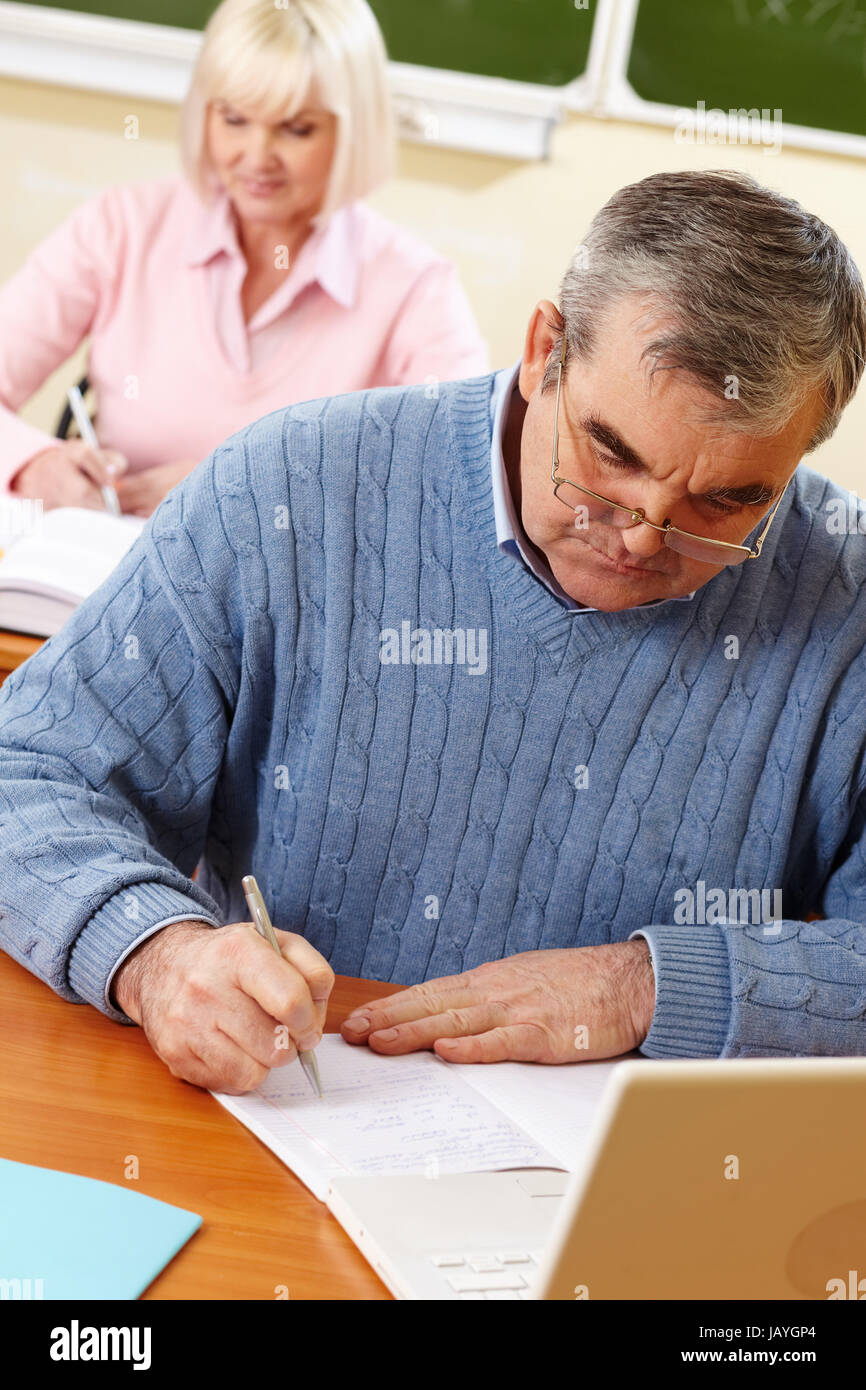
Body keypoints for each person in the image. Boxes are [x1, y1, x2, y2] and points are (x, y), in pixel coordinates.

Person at [1, 169, 865, 1097]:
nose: (643, 536)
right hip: (284, 1121)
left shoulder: (844, 590)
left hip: (640, 1186)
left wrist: (647, 987)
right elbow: (29, 772)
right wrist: (157, 954)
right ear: (545, 352)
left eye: (727, 501)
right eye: (610, 453)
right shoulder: (290, 488)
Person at [0, 0, 487, 517]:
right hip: (110, 570)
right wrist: (31, 464)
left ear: (353, 131)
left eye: (296, 129)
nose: (256, 157)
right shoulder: (121, 228)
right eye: (234, 119)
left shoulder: (416, 287)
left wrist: (239, 492)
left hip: (295, 594)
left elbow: (459, 482)